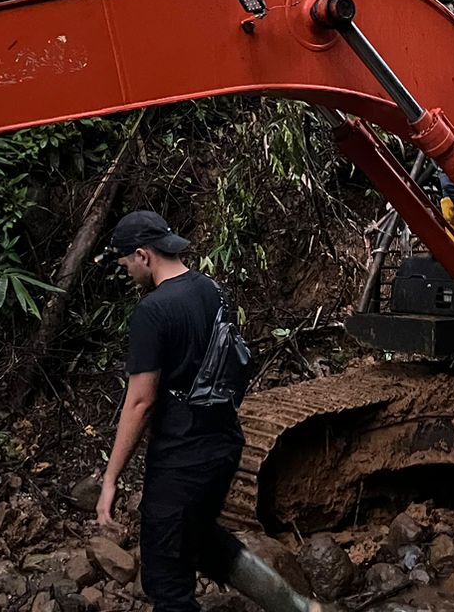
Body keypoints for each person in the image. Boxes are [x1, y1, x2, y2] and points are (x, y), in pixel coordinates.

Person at [96, 208, 327, 612]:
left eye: (125, 263)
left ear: (144, 255)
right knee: (200, 538)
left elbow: (140, 401)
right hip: (222, 443)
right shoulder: (210, 289)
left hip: (182, 456)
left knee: (166, 579)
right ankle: (298, 607)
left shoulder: (153, 311)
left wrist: (111, 477)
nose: (127, 272)